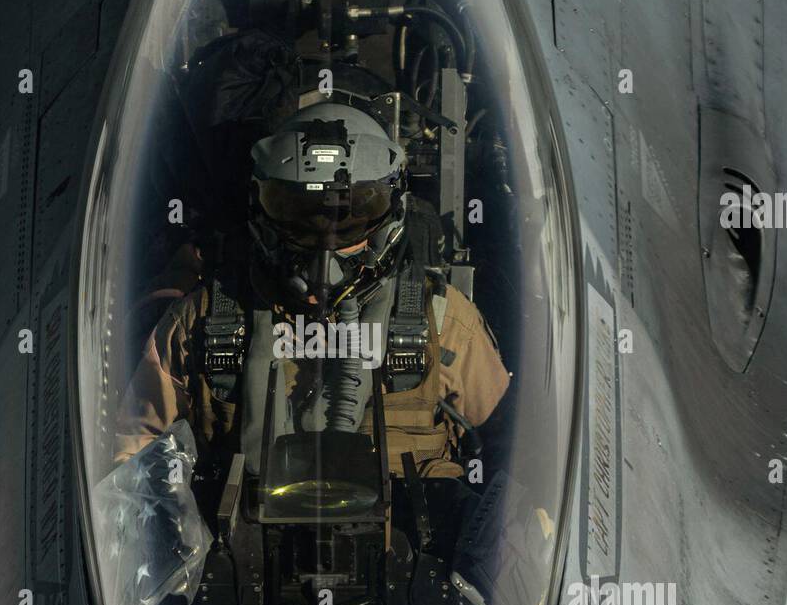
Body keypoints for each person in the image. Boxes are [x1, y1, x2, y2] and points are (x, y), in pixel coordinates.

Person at [113, 101, 510, 490]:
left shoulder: (442, 322)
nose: (326, 249)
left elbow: (509, 456)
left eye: (351, 219)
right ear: (264, 217)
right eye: (301, 218)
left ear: (388, 221)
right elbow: (131, 461)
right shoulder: (203, 323)